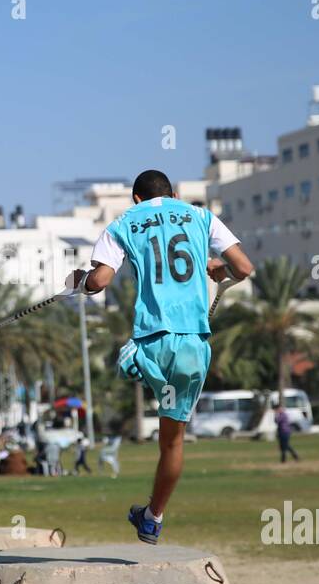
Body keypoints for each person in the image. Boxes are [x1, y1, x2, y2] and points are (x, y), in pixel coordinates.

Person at [70, 169, 254, 544]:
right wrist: (218, 268)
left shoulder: (124, 222)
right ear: (172, 194)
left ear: (136, 198)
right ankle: (153, 518)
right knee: (172, 442)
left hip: (154, 339)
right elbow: (245, 268)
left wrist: (80, 283)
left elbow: (101, 281)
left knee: (135, 358)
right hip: (193, 346)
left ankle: (134, 362)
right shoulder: (201, 217)